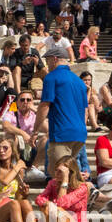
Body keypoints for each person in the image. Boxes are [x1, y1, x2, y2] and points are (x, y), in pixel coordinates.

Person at [35, 49, 88, 178]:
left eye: (47, 60)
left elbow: (44, 106)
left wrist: (35, 130)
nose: (47, 65)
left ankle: (90, 189)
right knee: (70, 175)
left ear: (54, 59)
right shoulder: (79, 82)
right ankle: (89, 190)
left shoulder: (52, 77)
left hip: (62, 133)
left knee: (58, 175)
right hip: (79, 134)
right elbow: (85, 109)